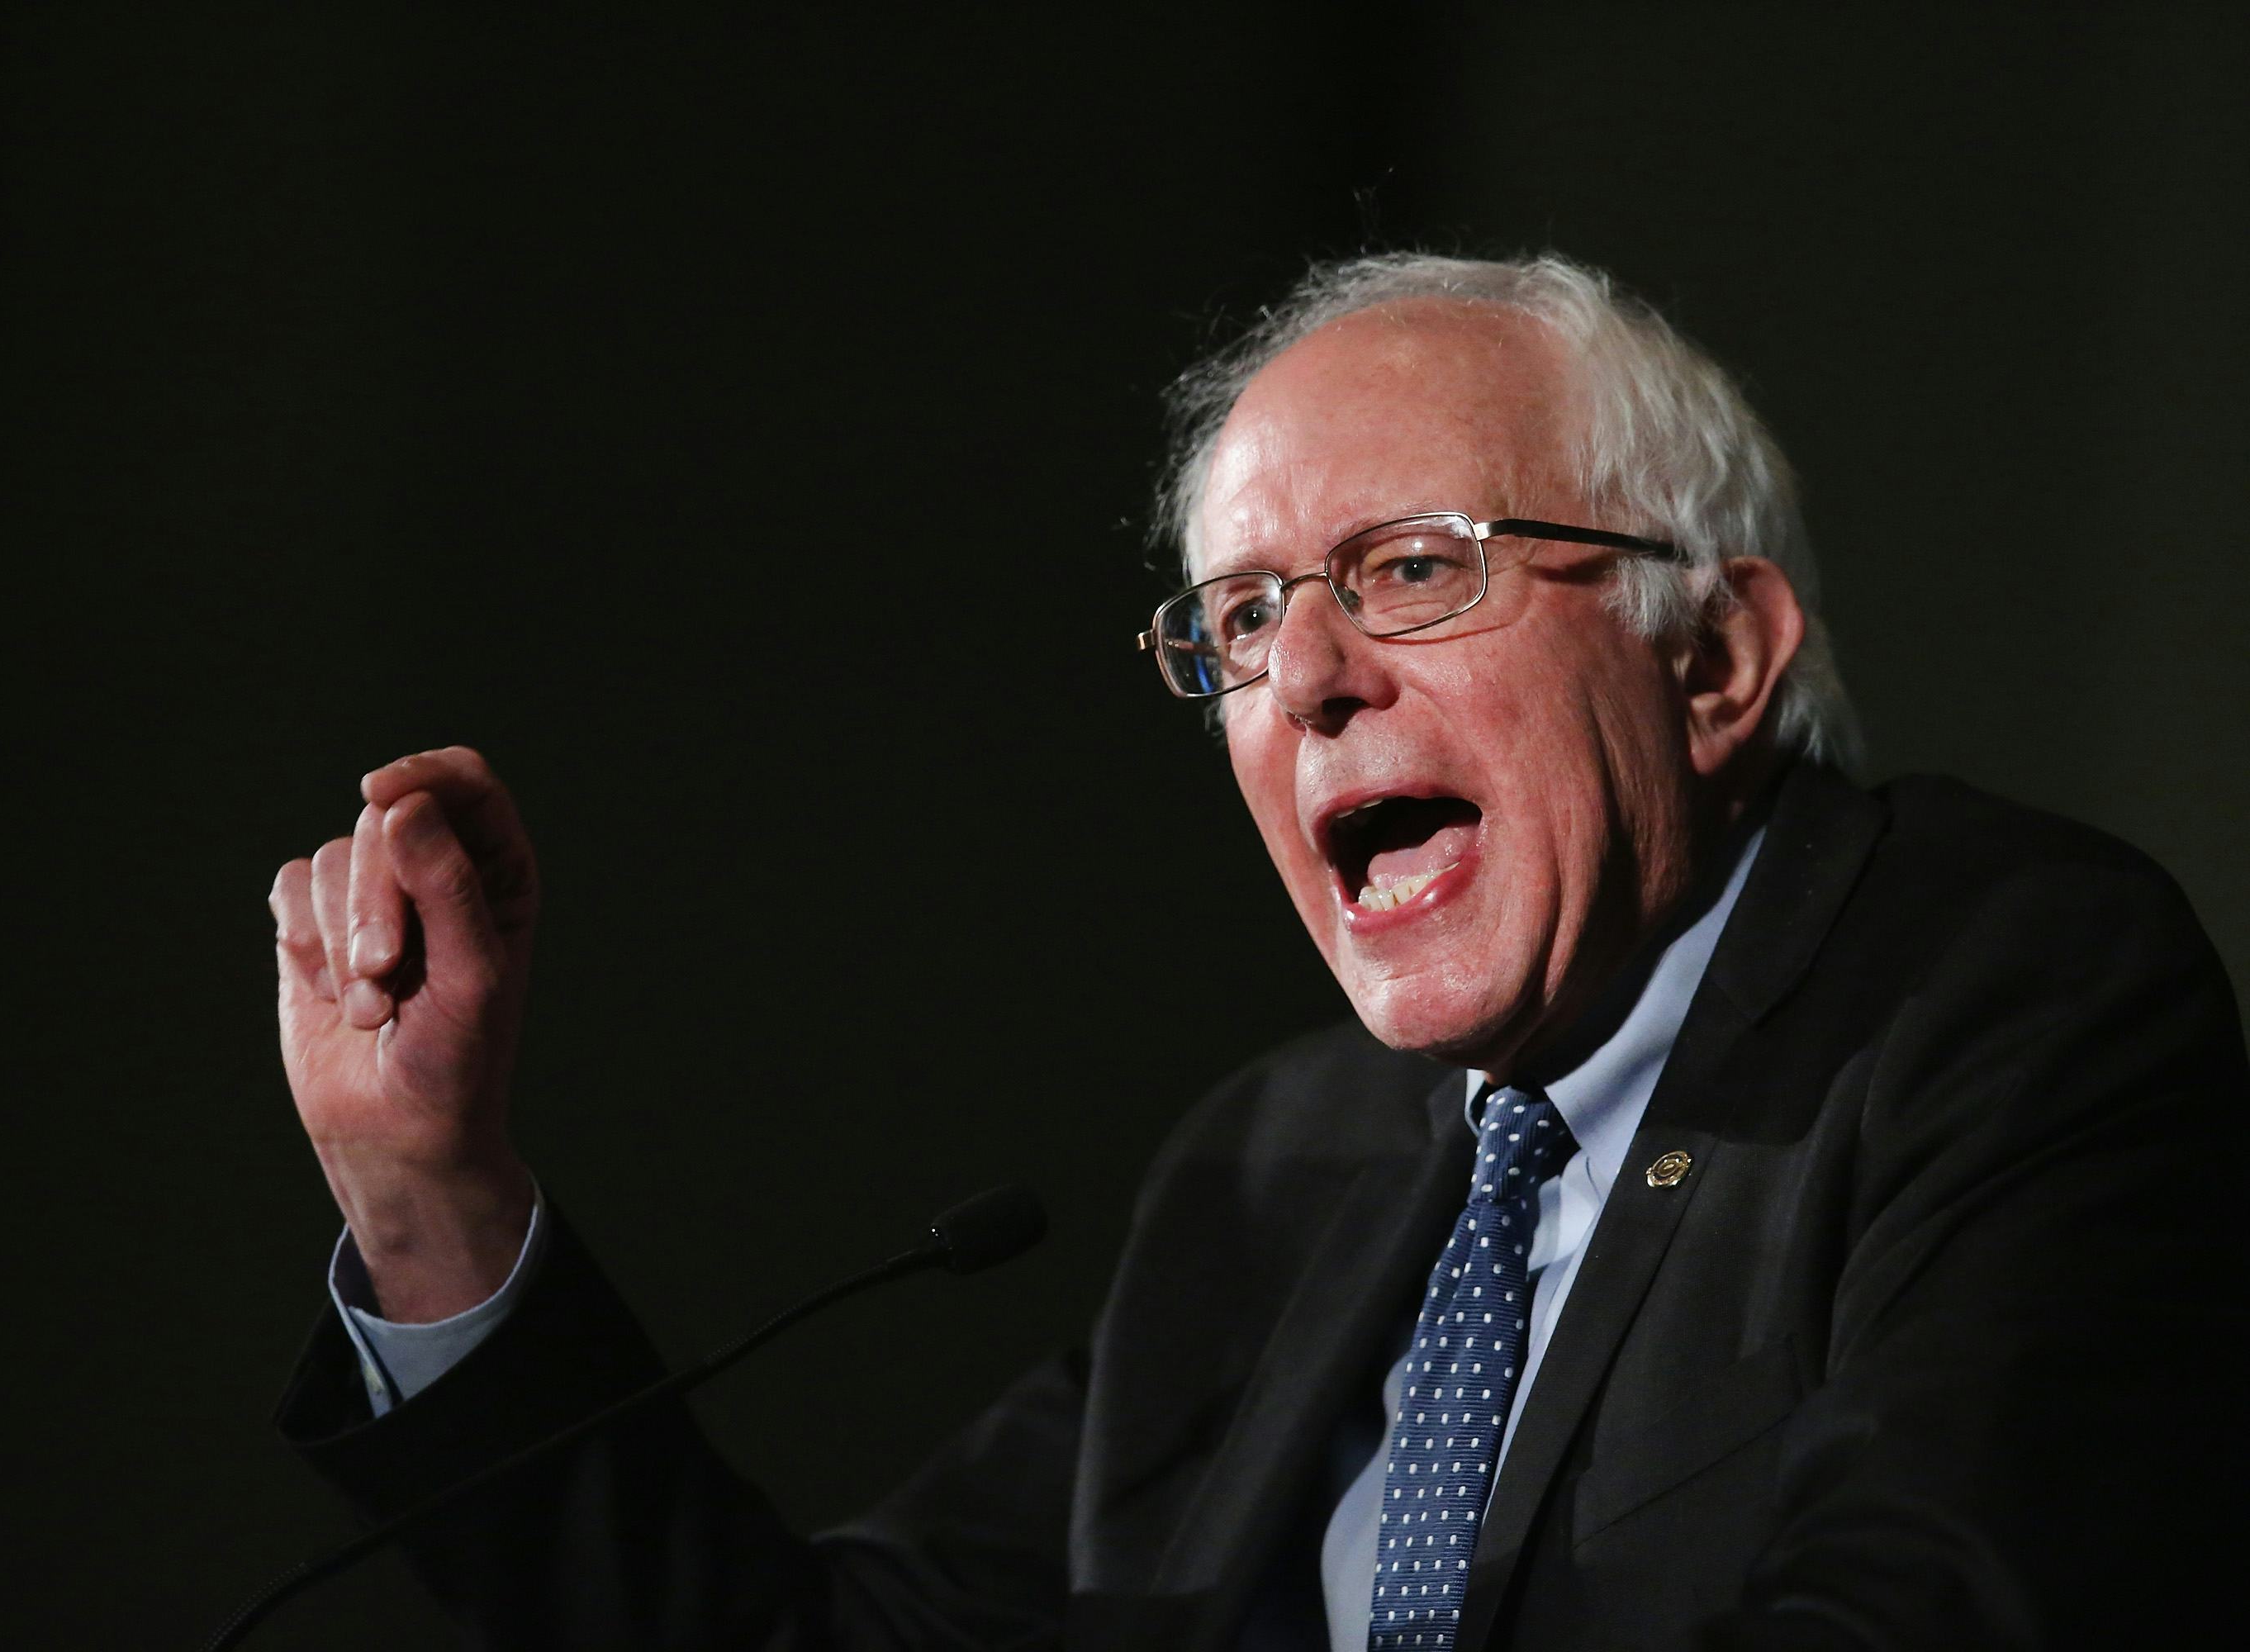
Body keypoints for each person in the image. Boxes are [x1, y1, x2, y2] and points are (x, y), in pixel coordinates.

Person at [264, 254, 2247, 1650]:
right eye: (1236, 620)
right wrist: (430, 1189)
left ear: (1713, 655)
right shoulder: (1280, 1168)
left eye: (1410, 568)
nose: (1302, 673)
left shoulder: (1998, 998)